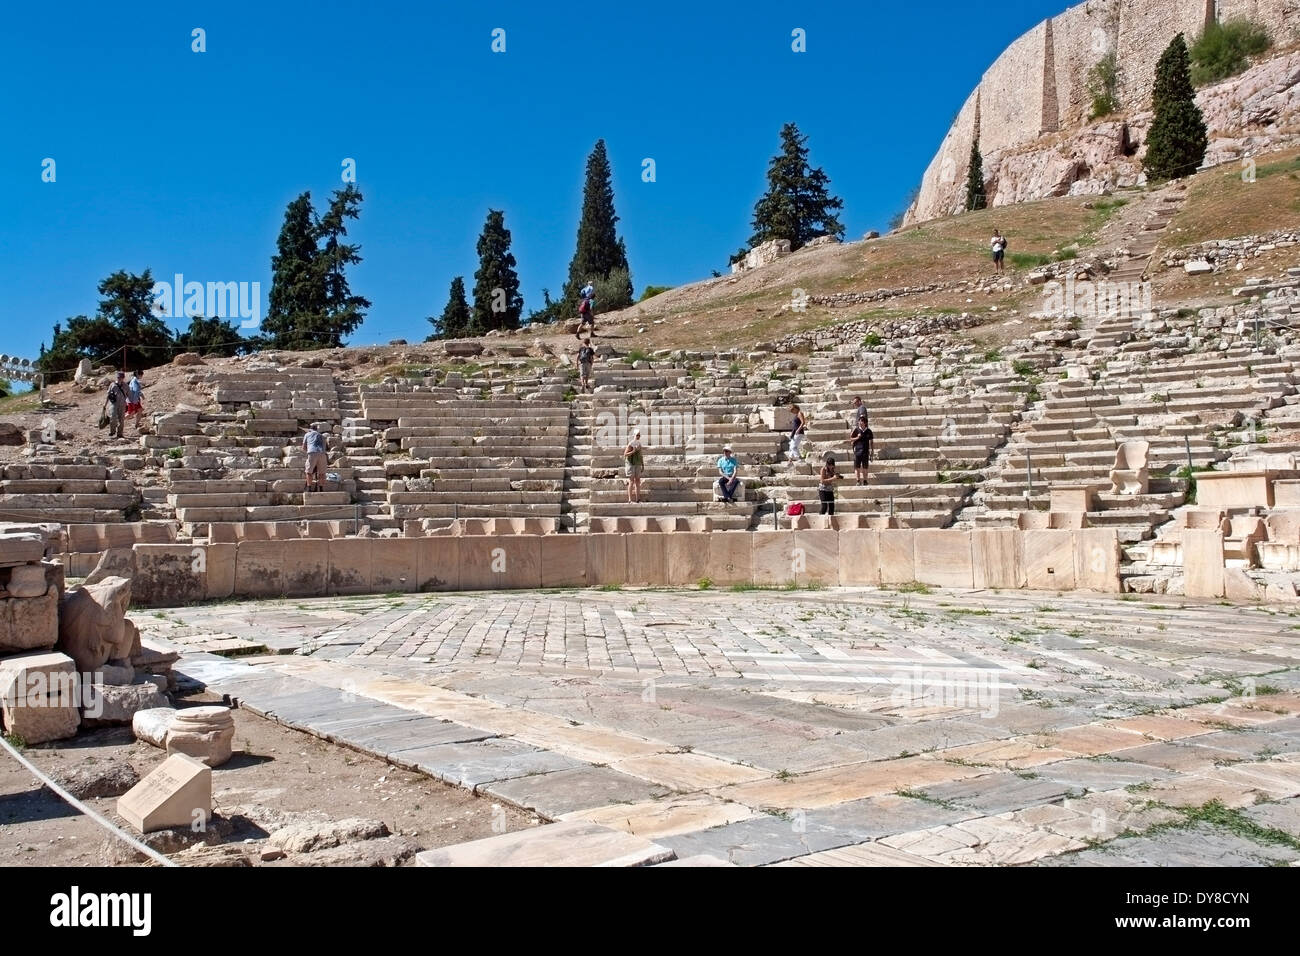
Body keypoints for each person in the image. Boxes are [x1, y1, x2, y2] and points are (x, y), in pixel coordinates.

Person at [302, 422, 328, 494]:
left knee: (309, 472)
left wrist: (308, 451)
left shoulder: (307, 434)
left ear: (310, 429)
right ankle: (321, 488)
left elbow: (303, 447)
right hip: (322, 454)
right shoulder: (321, 436)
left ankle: (309, 488)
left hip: (312, 452)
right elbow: (324, 447)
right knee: (322, 473)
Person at [849, 414, 874, 486]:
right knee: (857, 467)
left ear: (865, 422)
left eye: (862, 420)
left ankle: (865, 481)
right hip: (857, 451)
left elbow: (871, 442)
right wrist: (857, 437)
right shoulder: (856, 430)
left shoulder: (869, 431)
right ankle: (858, 481)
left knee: (865, 467)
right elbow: (850, 439)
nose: (860, 422)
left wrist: (872, 451)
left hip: (866, 451)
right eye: (860, 420)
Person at [623, 429, 644, 503]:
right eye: (637, 435)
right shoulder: (631, 443)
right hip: (631, 464)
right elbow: (625, 454)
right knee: (631, 481)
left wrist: (642, 464)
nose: (638, 436)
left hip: (637, 463)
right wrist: (633, 451)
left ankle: (638, 499)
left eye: (639, 435)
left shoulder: (639, 444)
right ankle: (630, 500)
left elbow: (640, 455)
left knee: (638, 481)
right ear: (634, 435)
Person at [105, 371, 128, 439]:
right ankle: (112, 431)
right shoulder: (112, 385)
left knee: (121, 420)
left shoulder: (126, 385)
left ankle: (120, 433)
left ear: (123, 378)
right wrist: (105, 404)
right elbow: (108, 395)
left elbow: (129, 395)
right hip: (113, 404)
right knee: (113, 417)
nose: (119, 378)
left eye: (121, 377)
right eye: (118, 377)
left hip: (122, 404)